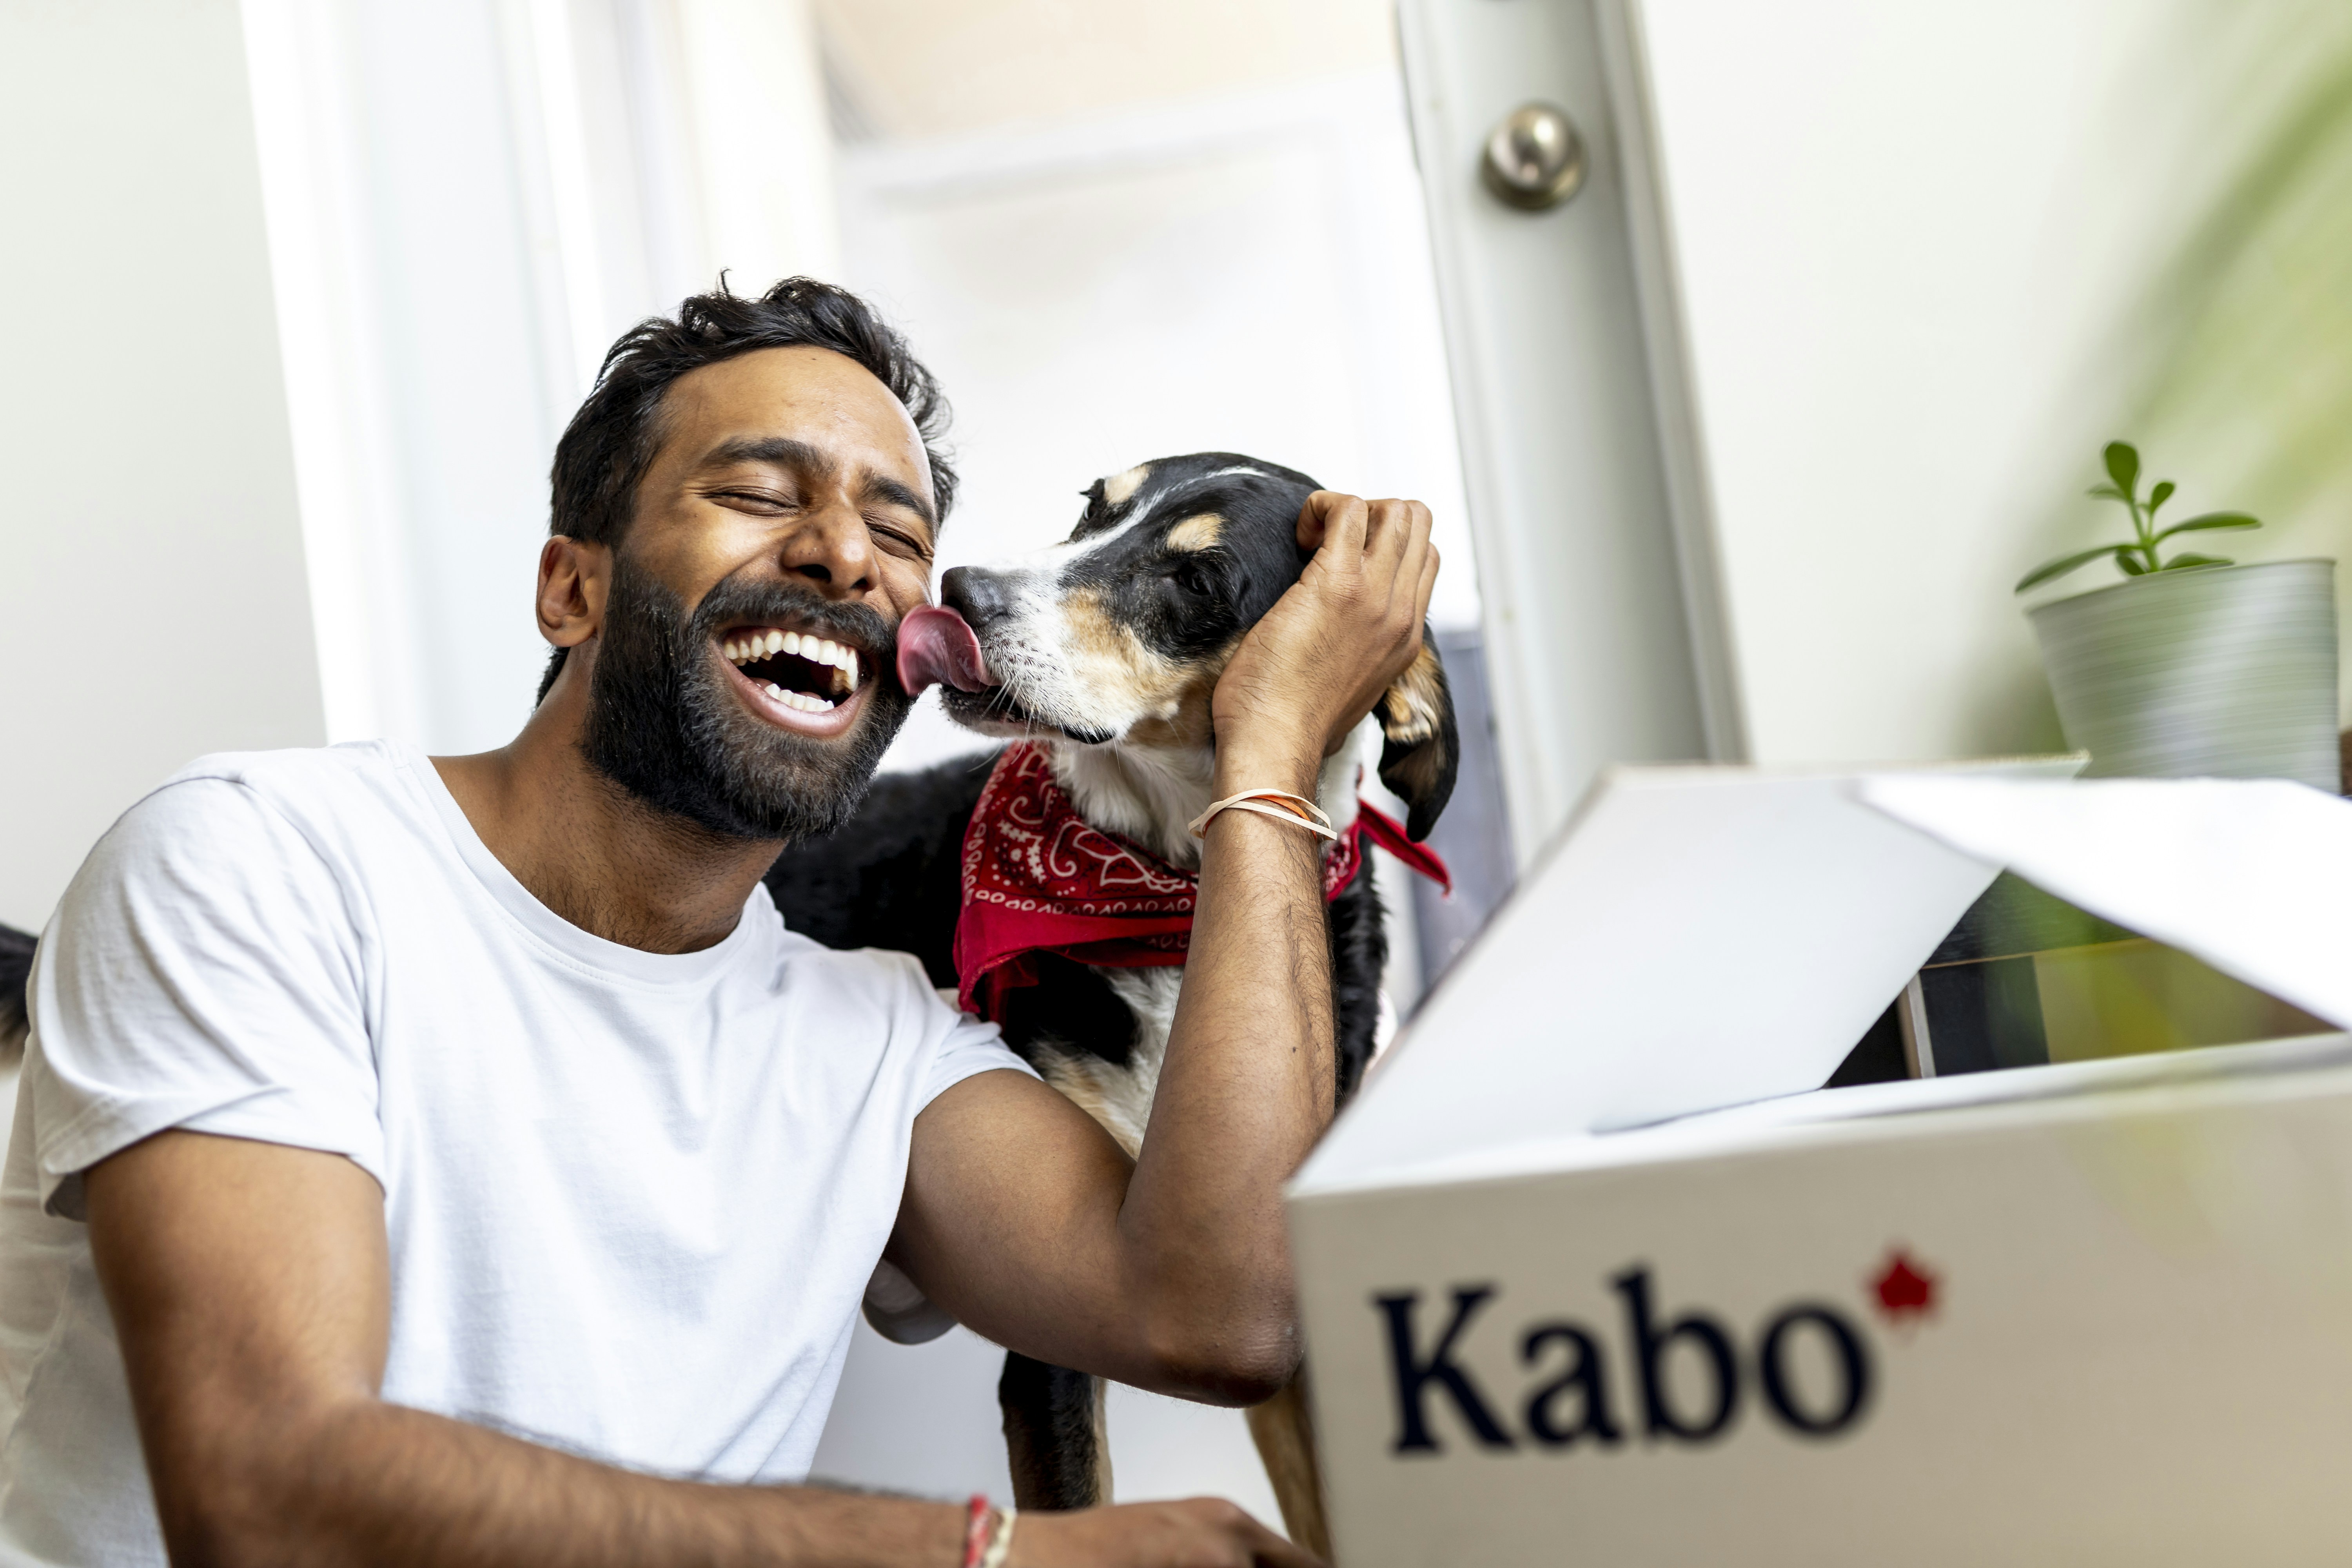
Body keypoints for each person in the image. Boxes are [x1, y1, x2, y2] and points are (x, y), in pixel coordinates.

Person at [0, 277, 1439, 1566]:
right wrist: (979, 1557)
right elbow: (269, 1499)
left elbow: (1223, 1318)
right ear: (573, 585)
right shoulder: (262, 863)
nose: (845, 559)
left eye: (897, 528)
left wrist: (1268, 757)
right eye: (761, 494)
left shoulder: (874, 1040)